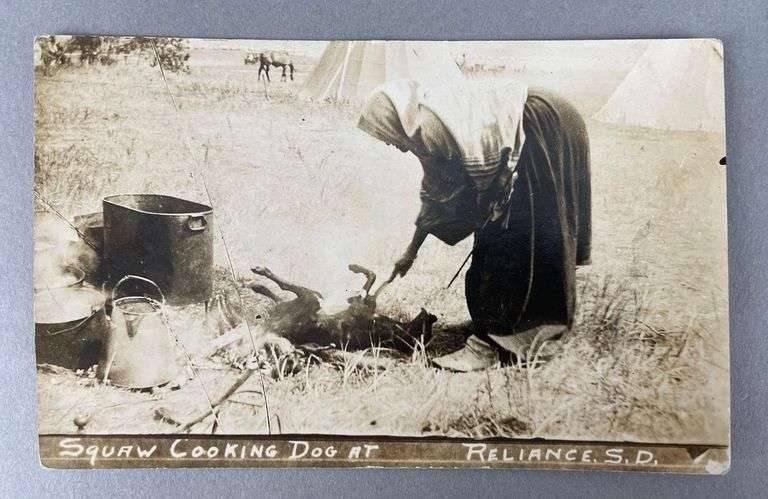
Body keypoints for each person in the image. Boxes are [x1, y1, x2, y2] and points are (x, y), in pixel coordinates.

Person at [357, 79, 591, 371]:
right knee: (496, 232)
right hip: (547, 117)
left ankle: (498, 344)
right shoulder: (419, 130)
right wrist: (410, 253)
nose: (389, 143)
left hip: (541, 123)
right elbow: (435, 195)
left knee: (514, 237)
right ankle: (495, 327)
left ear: (392, 119)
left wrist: (494, 204)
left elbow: (486, 173)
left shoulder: (431, 127)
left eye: (384, 134)